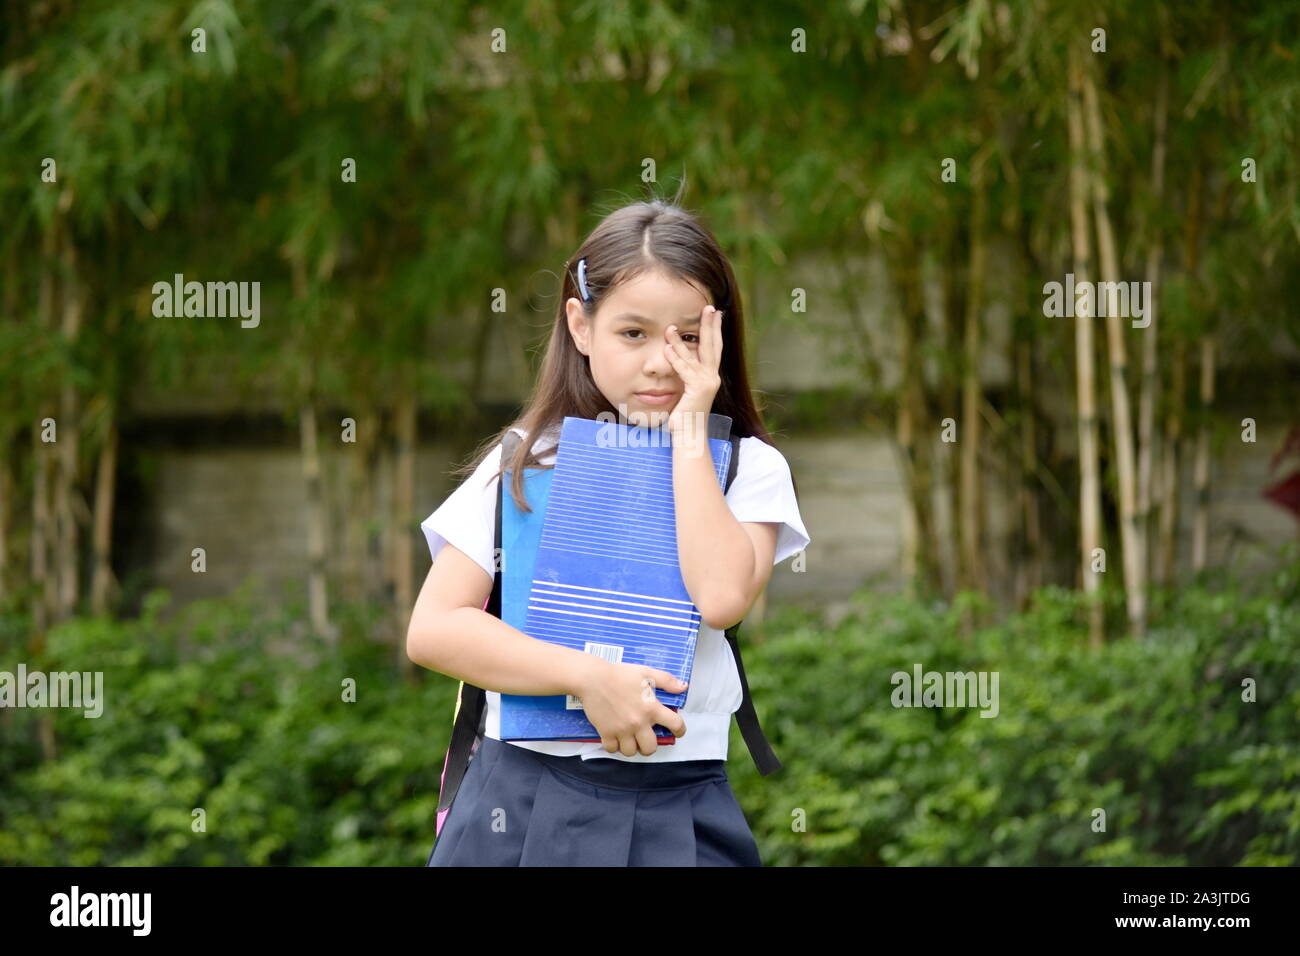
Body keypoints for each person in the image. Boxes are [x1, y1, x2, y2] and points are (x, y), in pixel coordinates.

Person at [408, 198, 811, 866]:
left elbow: (721, 598)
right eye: (634, 333)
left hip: (679, 806)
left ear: (719, 337)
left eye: (687, 336)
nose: (662, 361)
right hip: (520, 801)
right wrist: (588, 677)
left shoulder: (748, 467)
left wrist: (690, 434)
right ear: (581, 325)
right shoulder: (523, 461)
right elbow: (435, 628)